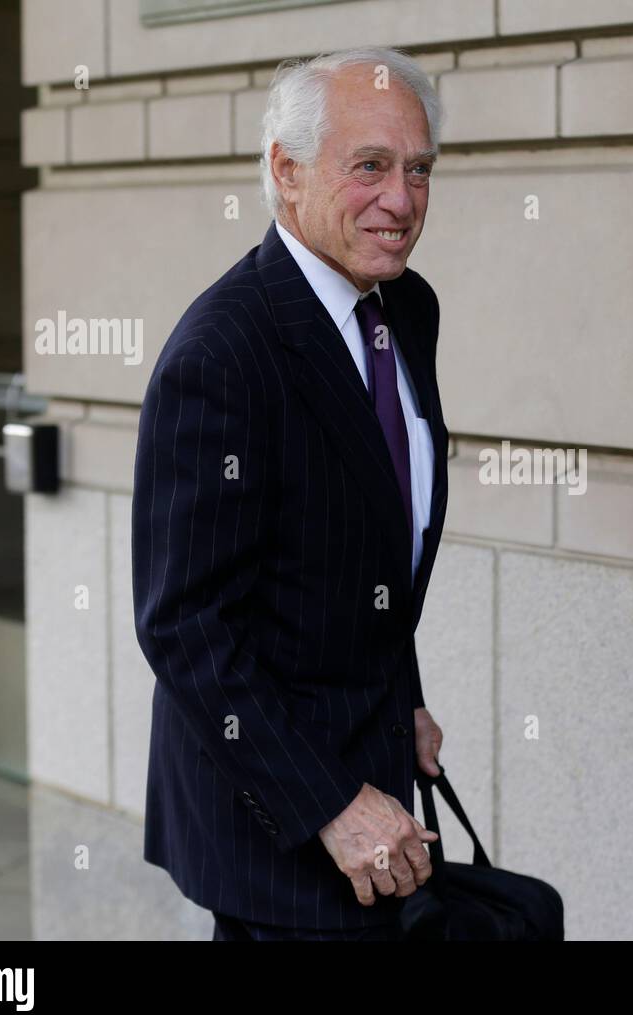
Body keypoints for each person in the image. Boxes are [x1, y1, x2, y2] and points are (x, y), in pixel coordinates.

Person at [131, 47, 449, 941]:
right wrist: (331, 807)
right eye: (371, 167)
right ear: (286, 169)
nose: (401, 199)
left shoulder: (404, 308)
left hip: (375, 776)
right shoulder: (221, 354)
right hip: (276, 821)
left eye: (418, 169)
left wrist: (403, 696)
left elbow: (371, 535)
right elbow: (185, 626)